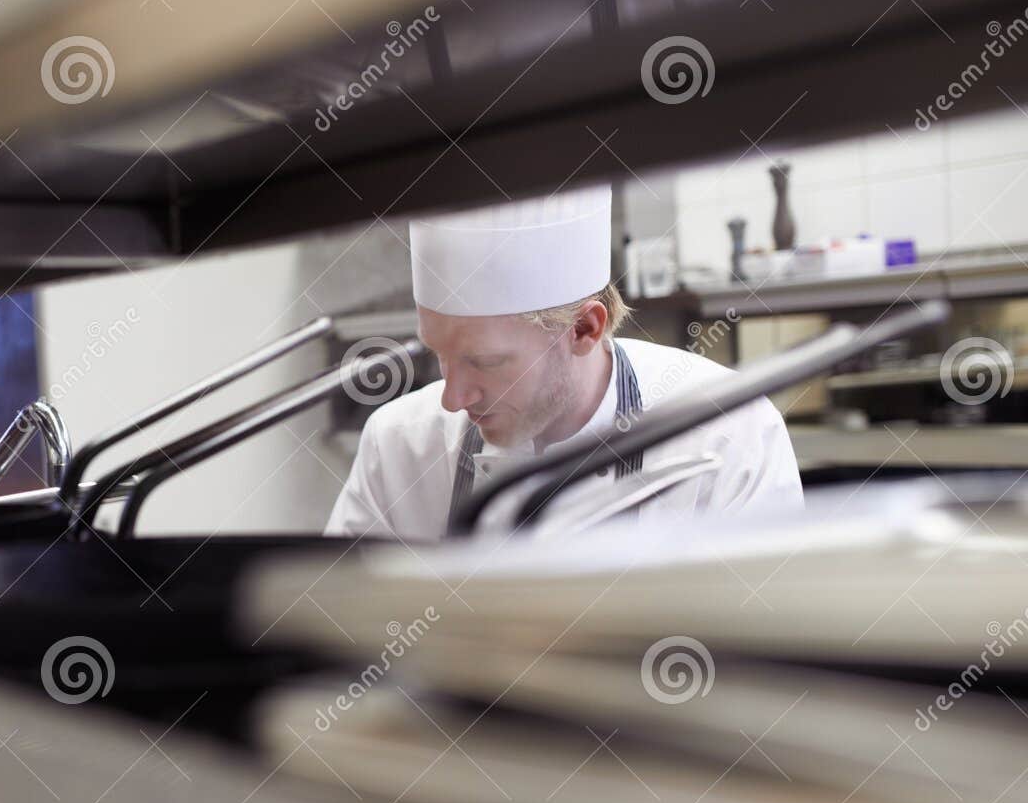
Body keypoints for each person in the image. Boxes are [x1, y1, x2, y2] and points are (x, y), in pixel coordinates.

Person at [326, 186, 803, 541]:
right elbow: (341, 624)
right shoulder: (397, 444)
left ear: (584, 330)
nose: (452, 399)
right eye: (439, 355)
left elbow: (766, 635)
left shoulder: (731, 432)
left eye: (485, 361)